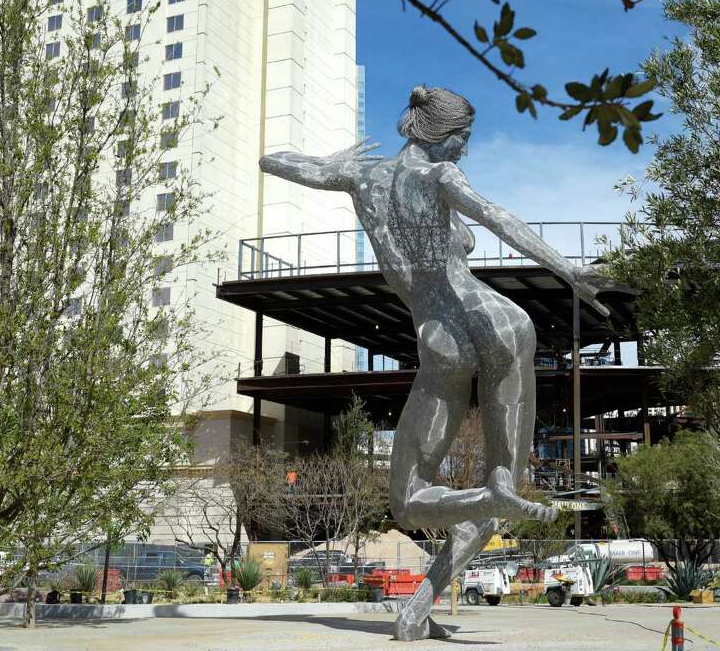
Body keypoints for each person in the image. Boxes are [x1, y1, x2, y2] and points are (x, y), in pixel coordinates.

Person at [260, 85, 617, 640]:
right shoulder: (440, 177)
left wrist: (333, 164)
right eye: (463, 139)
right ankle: (443, 570)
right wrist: (570, 272)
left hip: (441, 334)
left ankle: (486, 501)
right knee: (495, 492)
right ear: (443, 136)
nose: (466, 150)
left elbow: (274, 160)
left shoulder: (363, 177)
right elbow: (497, 217)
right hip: (497, 320)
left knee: (409, 500)